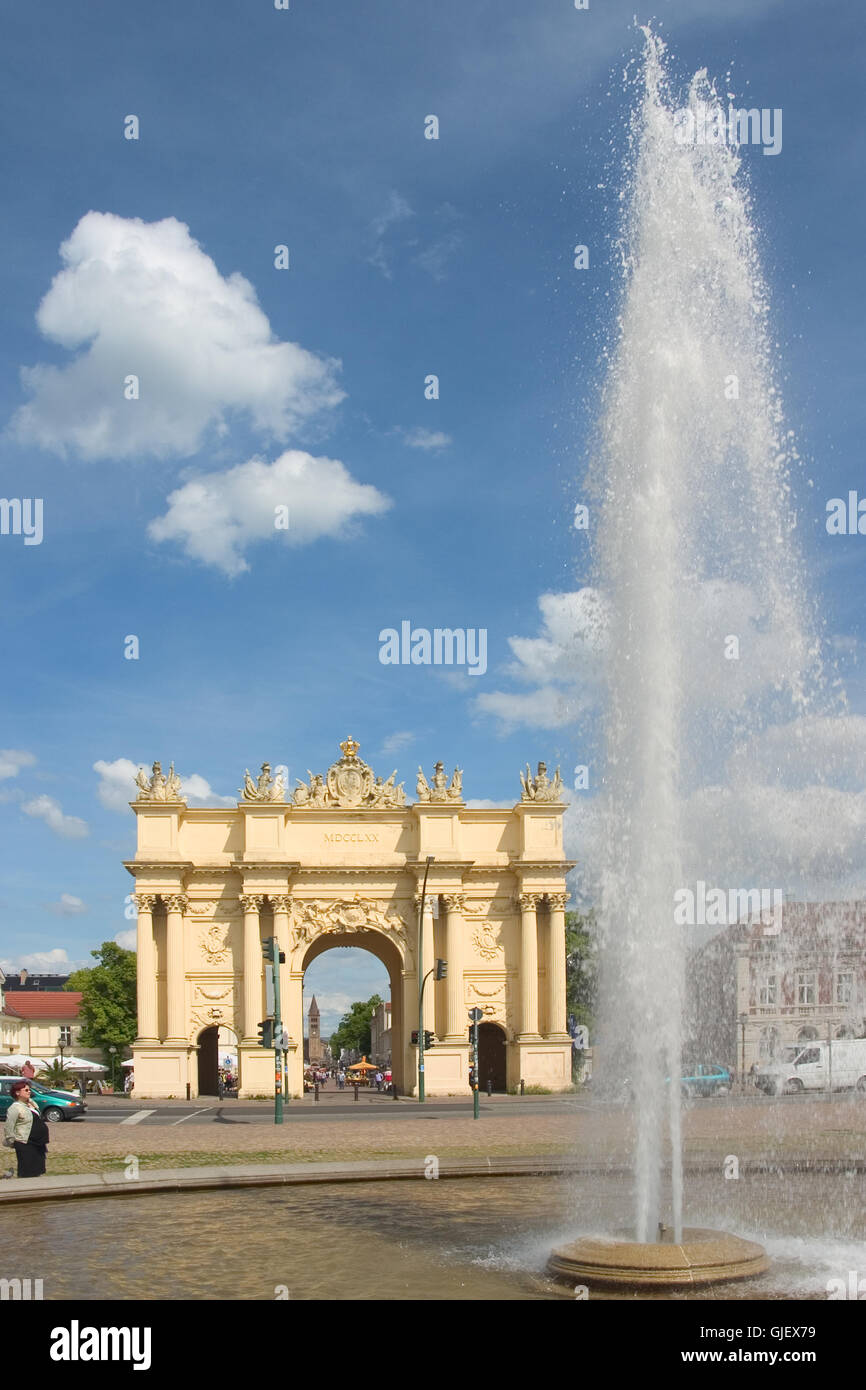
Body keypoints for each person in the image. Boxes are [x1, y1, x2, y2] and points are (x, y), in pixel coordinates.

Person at [3, 1080, 49, 1178]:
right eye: (26, 1090)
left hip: (38, 1143)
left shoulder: (31, 1103)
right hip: (25, 1143)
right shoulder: (15, 1108)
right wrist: (12, 1141)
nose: (29, 1092)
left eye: (29, 1090)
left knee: (38, 1170)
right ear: (18, 1093)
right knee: (27, 1171)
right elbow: (8, 1127)